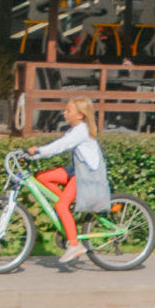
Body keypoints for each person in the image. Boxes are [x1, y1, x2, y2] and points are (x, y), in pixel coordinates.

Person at [26, 97, 107, 267]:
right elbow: (58, 144)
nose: (64, 113)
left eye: (68, 110)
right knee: (43, 177)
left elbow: (60, 146)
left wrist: (39, 151)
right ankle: (68, 205)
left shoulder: (81, 131)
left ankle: (74, 244)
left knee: (60, 207)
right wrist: (33, 155)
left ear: (80, 115)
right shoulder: (75, 129)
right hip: (77, 170)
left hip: (86, 175)